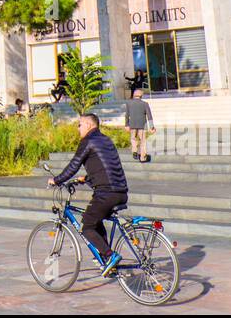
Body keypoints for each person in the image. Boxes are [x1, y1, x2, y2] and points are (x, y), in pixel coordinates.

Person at [49, 114, 129, 276]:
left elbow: (74, 165)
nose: (78, 128)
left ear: (88, 125)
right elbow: (107, 168)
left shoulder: (88, 141)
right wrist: (85, 179)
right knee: (94, 217)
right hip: (120, 192)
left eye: (79, 125)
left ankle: (110, 255)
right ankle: (107, 261)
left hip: (105, 193)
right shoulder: (106, 140)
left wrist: (56, 180)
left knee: (87, 226)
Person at [123, 88, 155, 163]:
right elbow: (149, 116)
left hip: (132, 124)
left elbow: (127, 115)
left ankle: (134, 151)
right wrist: (152, 126)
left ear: (134, 95)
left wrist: (126, 125)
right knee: (143, 141)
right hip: (142, 125)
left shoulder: (129, 103)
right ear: (141, 96)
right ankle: (142, 158)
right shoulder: (145, 104)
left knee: (133, 138)